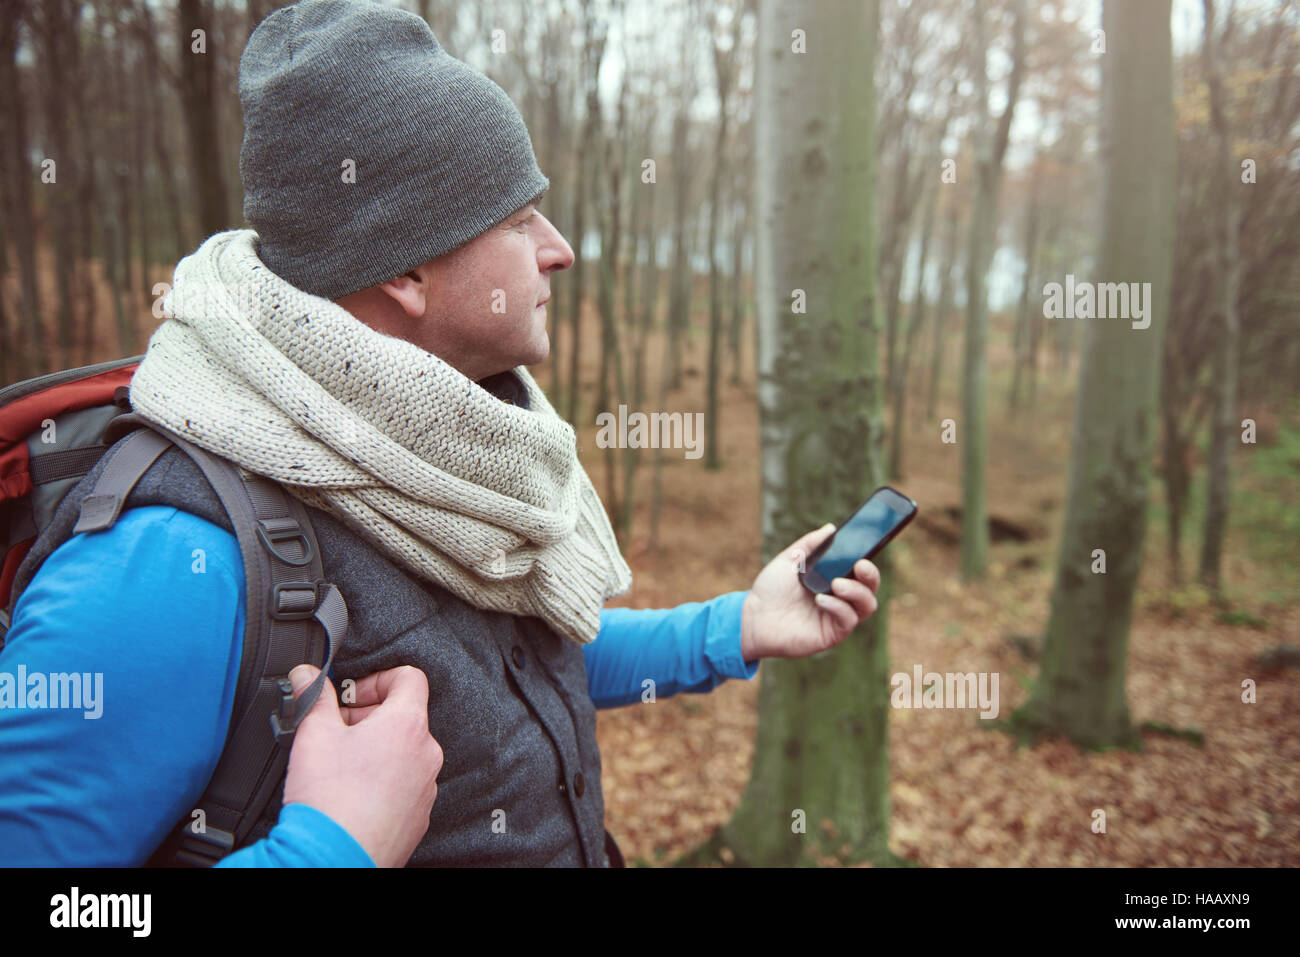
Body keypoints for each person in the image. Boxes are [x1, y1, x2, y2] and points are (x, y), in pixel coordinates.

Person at [0, 0, 881, 867]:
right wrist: (329, 847)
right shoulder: (168, 557)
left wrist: (743, 625)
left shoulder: (447, 456)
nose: (560, 248)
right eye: (519, 218)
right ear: (409, 271)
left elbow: (525, 662)